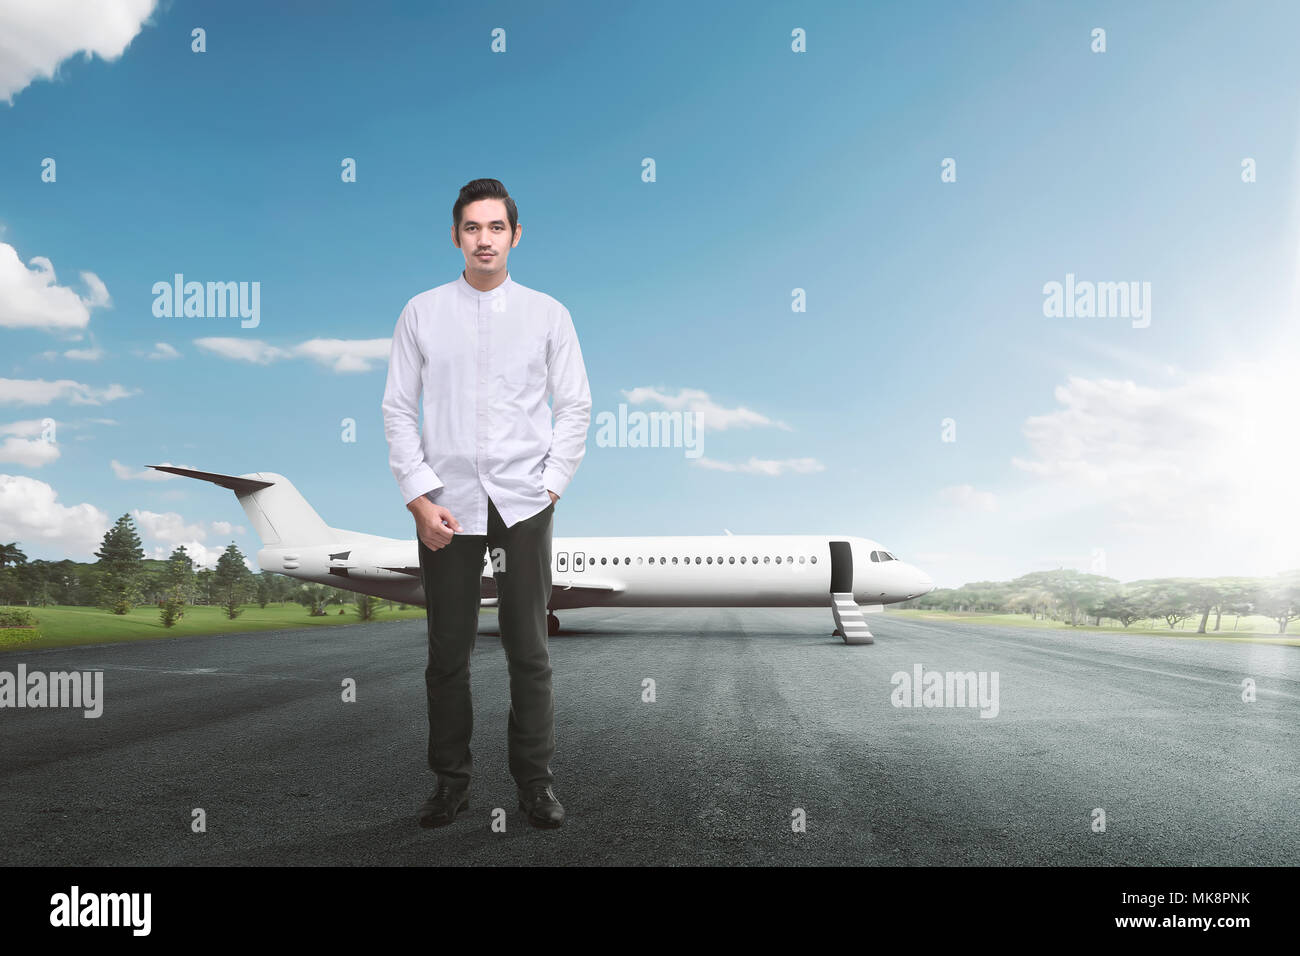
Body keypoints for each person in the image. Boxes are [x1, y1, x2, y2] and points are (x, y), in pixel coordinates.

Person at [382, 178, 592, 829]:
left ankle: (536, 784)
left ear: (514, 235)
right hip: (446, 508)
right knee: (447, 654)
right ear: (456, 236)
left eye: (495, 227)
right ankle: (451, 783)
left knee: (528, 650)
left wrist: (550, 484)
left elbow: (576, 405)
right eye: (472, 228)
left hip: (523, 505)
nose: (483, 239)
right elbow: (397, 408)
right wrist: (417, 496)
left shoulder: (548, 314)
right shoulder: (421, 311)